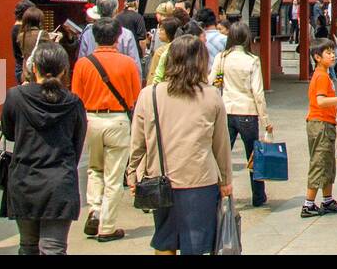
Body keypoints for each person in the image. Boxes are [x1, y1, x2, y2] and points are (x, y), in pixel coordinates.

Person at [126, 35, 231, 255]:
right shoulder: (211, 96)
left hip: (160, 180)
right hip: (201, 180)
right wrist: (226, 181)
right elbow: (221, 145)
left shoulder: (149, 95)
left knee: (165, 240)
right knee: (196, 244)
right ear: (201, 62)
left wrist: (132, 174)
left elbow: (137, 142)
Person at [0, 42, 87, 254]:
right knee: (54, 248)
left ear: (34, 68)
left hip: (24, 181)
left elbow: (9, 133)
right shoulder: (73, 102)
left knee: (28, 246)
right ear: (64, 70)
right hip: (60, 183)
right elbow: (77, 143)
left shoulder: (15, 97)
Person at [72, 15, 142, 243]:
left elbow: (77, 97)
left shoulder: (83, 64)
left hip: (91, 119)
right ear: (117, 37)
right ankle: (107, 225)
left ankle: (94, 209)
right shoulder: (128, 63)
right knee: (113, 176)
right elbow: (133, 98)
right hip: (118, 120)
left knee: (94, 168)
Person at [214, 22, 272, 207]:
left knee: (222, 155)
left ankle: (218, 192)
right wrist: (265, 120)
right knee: (253, 156)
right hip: (247, 112)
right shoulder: (252, 60)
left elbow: (211, 82)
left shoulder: (222, 57)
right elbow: (258, 93)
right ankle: (258, 195)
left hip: (226, 110)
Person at [301, 40, 337, 217]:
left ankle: (327, 200)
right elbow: (320, 101)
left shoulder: (324, 75)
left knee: (328, 162)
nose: (332, 55)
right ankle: (308, 204)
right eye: (327, 52)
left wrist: (336, 109)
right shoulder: (321, 76)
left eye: (332, 52)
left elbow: (321, 98)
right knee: (319, 162)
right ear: (317, 57)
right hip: (319, 124)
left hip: (326, 122)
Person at [79, 0, 142, 72]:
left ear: (98, 11)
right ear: (116, 11)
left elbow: (81, 63)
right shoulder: (126, 34)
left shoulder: (88, 34)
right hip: (120, 80)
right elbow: (135, 67)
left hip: (92, 79)